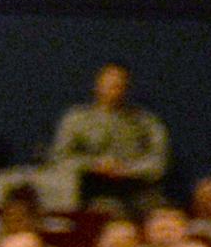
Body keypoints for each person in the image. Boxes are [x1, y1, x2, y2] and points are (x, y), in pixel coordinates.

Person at [49, 62, 167, 206]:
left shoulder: (146, 122)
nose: (114, 90)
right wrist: (94, 165)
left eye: (119, 85)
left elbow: (158, 162)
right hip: (87, 190)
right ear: (97, 86)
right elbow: (60, 157)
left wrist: (128, 169)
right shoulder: (76, 119)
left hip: (135, 191)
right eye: (109, 84)